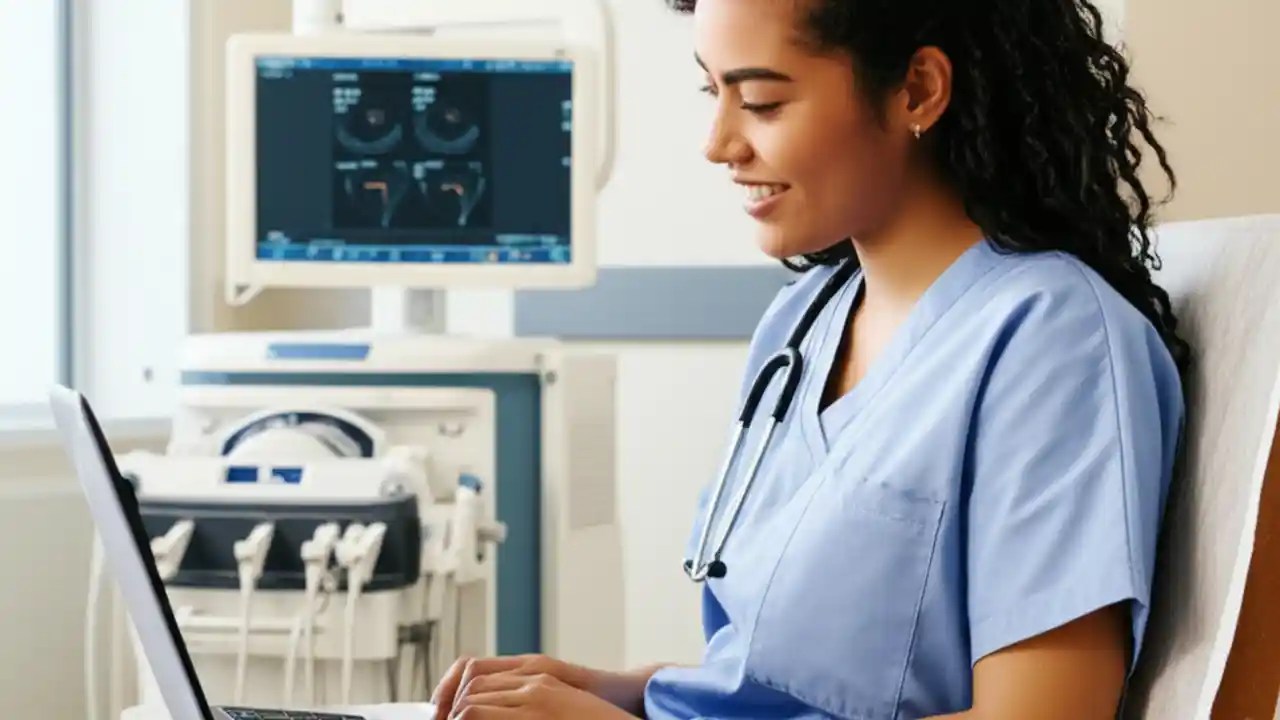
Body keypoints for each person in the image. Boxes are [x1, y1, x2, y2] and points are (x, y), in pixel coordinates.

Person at [429, 0, 1188, 716]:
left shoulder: (1054, 341)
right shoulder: (803, 320)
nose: (718, 143)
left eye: (760, 102)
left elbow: (1045, 716)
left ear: (917, 90)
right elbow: (778, 682)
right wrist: (620, 690)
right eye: (711, 92)